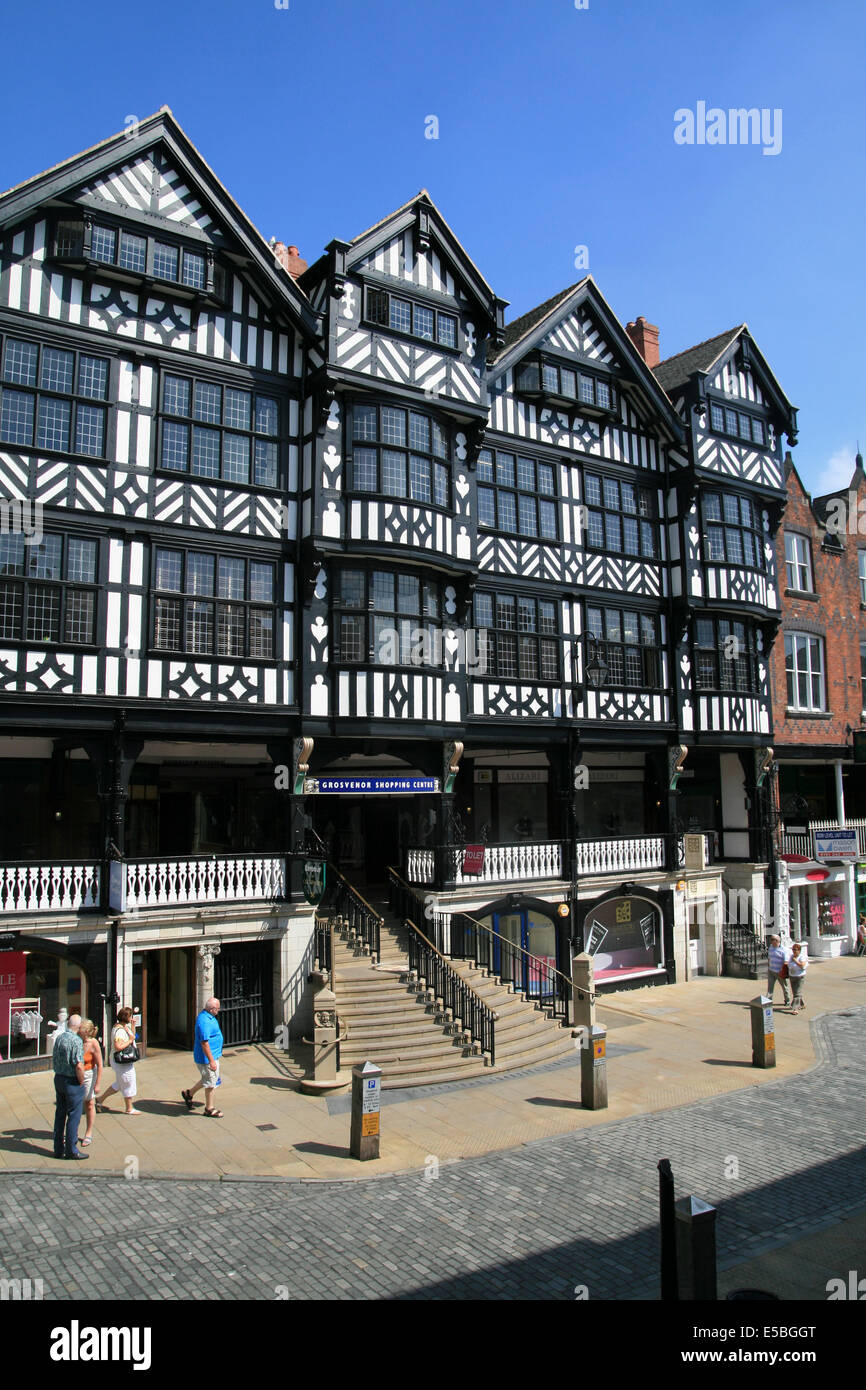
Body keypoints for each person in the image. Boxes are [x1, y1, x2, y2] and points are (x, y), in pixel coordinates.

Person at [52, 1012, 88, 1160]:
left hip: (59, 1078)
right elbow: (79, 1065)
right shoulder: (76, 1041)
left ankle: (58, 1148)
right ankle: (71, 1149)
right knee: (74, 1116)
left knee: (60, 1114)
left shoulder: (60, 1037)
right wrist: (81, 1081)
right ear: (79, 1027)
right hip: (71, 1081)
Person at [182, 997, 224, 1118]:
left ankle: (189, 1093)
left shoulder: (208, 1017)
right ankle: (209, 1109)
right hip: (206, 1058)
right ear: (211, 1009)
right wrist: (211, 1061)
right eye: (217, 1008)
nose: (219, 1010)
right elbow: (204, 1043)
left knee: (207, 1078)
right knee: (211, 1083)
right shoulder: (204, 1022)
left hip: (212, 1055)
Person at [96, 1007, 141, 1115]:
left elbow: (133, 1037)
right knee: (128, 1082)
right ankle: (129, 1108)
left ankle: (99, 1100)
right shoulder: (119, 1031)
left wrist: (133, 1027)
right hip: (122, 1062)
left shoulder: (124, 1027)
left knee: (120, 1084)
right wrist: (129, 1041)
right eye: (130, 1016)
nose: (131, 1018)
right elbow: (118, 1046)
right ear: (126, 1017)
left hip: (125, 1061)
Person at [77, 1019, 103, 1147]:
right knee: (75, 1105)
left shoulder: (94, 1043)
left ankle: (88, 1132)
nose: (78, 1030)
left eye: (80, 1028)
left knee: (89, 1103)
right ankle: (72, 1132)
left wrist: (97, 1084)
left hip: (89, 1075)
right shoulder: (77, 1040)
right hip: (76, 1074)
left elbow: (100, 1064)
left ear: (86, 1031)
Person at [767, 934, 791, 1006]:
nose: (770, 941)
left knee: (785, 987)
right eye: (771, 939)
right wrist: (769, 965)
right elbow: (769, 957)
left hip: (780, 972)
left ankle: (787, 1001)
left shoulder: (784, 950)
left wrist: (783, 972)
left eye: (772, 940)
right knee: (770, 987)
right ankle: (768, 1001)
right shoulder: (771, 947)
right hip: (771, 970)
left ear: (777, 941)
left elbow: (786, 962)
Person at [788, 942, 809, 1013]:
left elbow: (802, 965)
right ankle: (802, 1004)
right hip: (792, 976)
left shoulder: (802, 957)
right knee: (795, 993)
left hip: (800, 977)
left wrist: (795, 961)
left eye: (796, 949)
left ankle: (795, 1008)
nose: (794, 951)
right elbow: (788, 964)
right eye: (793, 949)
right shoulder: (791, 956)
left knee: (797, 993)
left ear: (799, 950)